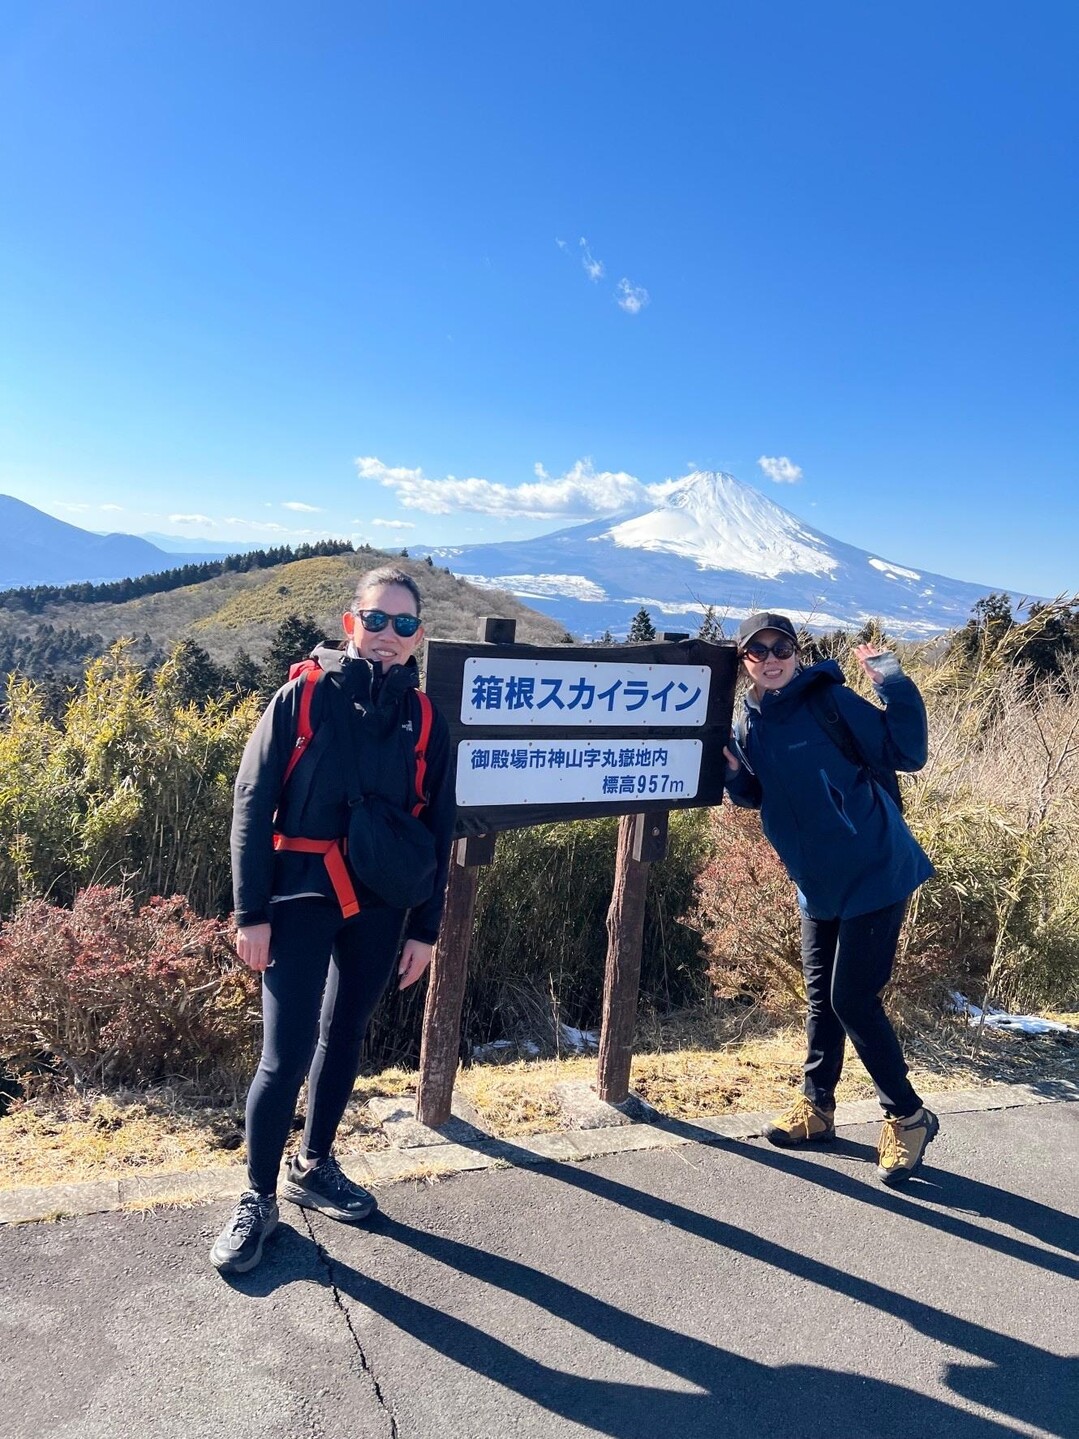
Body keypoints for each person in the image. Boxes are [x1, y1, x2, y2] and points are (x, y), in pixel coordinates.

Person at [211, 566, 455, 1273]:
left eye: (403, 624)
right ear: (351, 624)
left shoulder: (426, 720)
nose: (387, 635)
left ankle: (313, 1162)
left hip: (381, 908)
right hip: (297, 901)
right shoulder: (303, 697)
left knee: (344, 1035)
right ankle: (257, 1196)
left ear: (418, 638)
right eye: (375, 620)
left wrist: (426, 929)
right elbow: (252, 805)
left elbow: (440, 828)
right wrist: (249, 911)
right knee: (284, 1055)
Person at [722, 612, 937, 1186]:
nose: (771, 658)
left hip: (875, 870)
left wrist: (890, 677)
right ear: (743, 661)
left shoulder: (830, 702)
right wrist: (731, 772)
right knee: (822, 997)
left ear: (797, 651)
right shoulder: (749, 720)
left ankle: (908, 1116)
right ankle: (817, 1106)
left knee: (852, 999)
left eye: (781, 648)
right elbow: (755, 794)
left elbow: (906, 751)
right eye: (757, 650)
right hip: (817, 883)